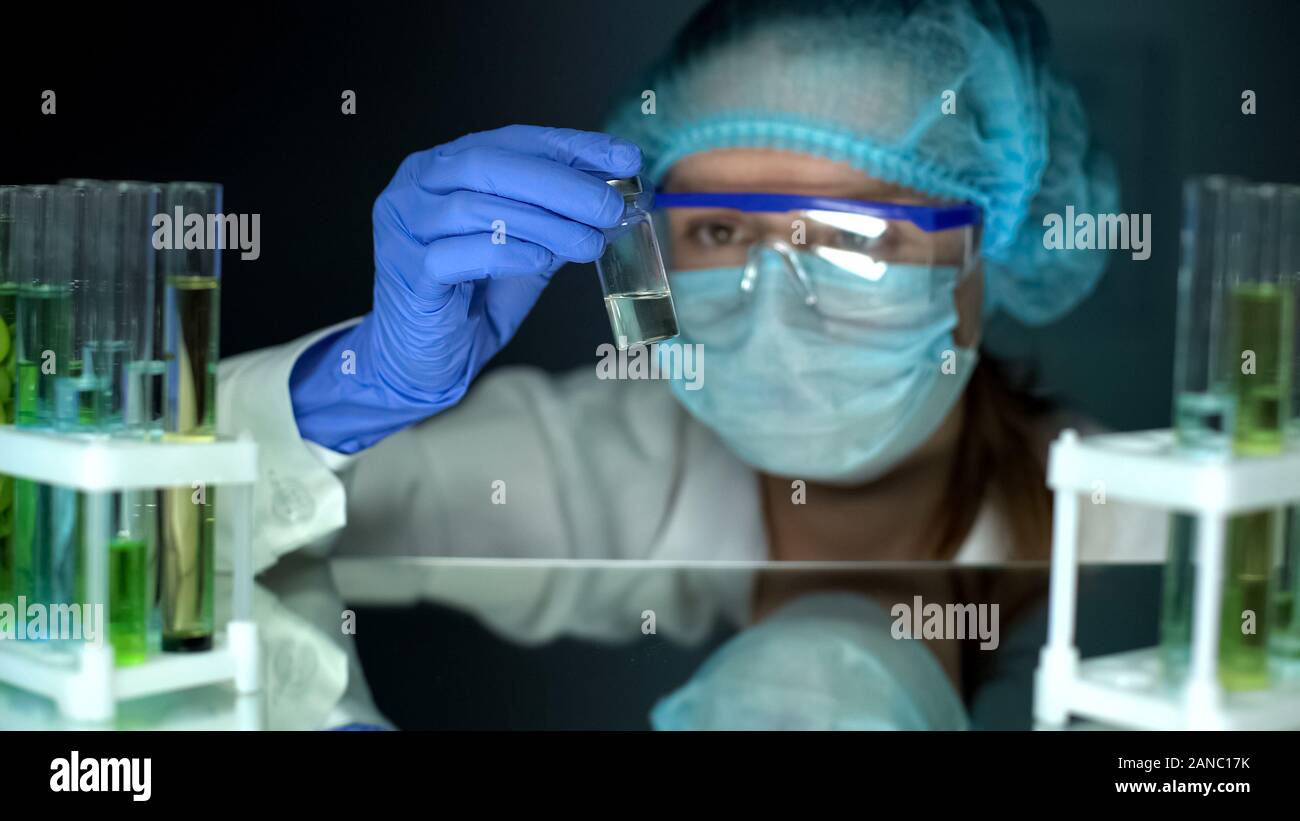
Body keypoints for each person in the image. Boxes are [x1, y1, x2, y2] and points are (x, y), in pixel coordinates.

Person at [218, 0, 1164, 725]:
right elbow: (130, 532)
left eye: (851, 230)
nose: (775, 289)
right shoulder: (586, 460)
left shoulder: (1145, 522)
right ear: (650, 250)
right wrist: (360, 388)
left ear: (983, 259)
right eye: (717, 228)